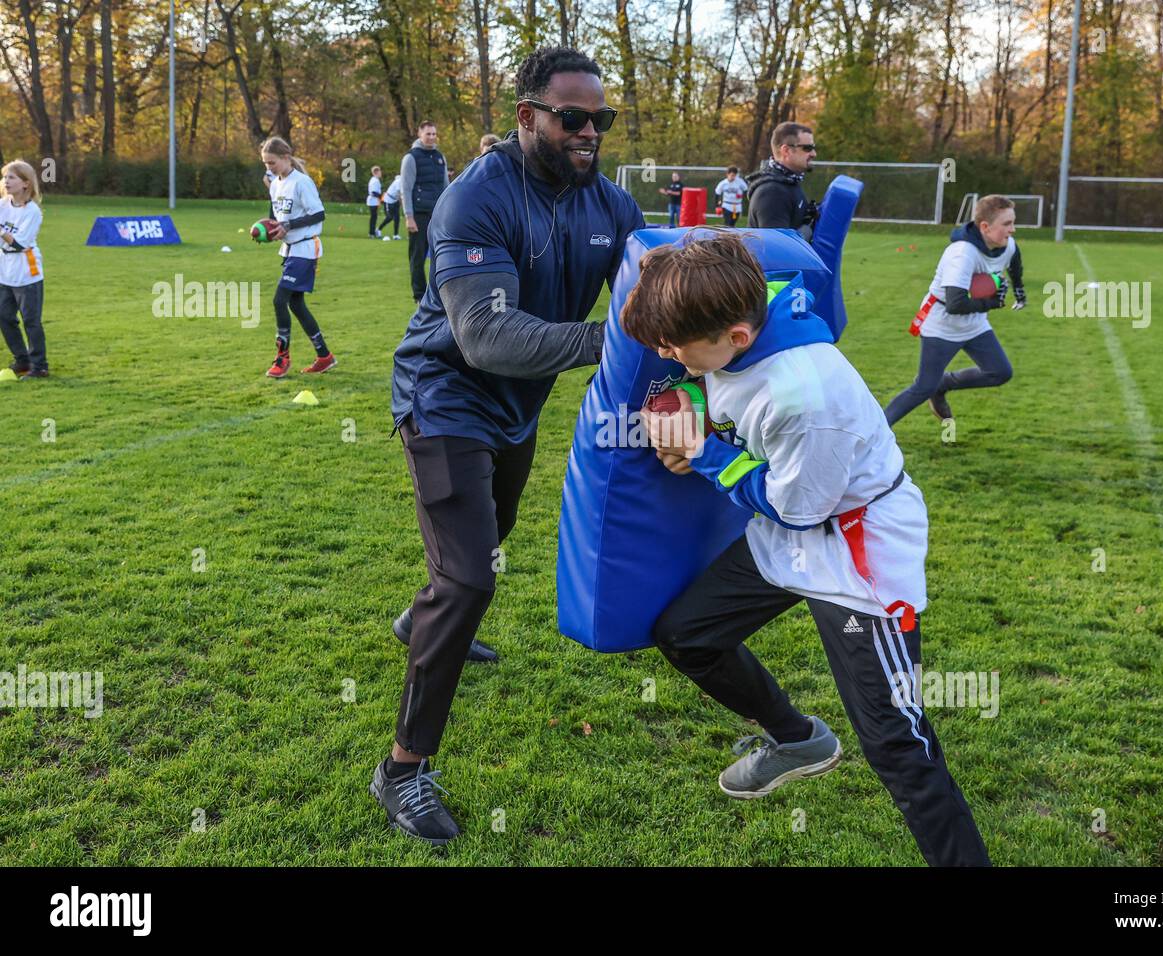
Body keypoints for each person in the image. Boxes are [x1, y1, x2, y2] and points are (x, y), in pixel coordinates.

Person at [625, 231, 990, 867]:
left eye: (672, 346)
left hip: (856, 555)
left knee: (896, 744)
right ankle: (798, 741)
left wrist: (705, 453)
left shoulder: (804, 397)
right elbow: (731, 403)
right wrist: (691, 407)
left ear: (736, 337)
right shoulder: (744, 313)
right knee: (688, 634)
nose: (664, 352)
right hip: (793, 535)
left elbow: (798, 508)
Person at [375, 46, 644, 844]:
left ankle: (422, 617)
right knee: (467, 582)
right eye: (573, 118)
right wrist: (620, 336)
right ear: (527, 117)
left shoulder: (608, 203)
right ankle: (402, 771)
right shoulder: (474, 199)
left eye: (602, 119)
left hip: (516, 410)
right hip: (444, 395)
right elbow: (486, 336)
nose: (590, 131)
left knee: (488, 547)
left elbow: (661, 269)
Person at [883, 195, 1023, 426]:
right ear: (985, 227)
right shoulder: (962, 254)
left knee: (999, 371)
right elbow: (955, 303)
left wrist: (1018, 290)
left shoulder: (1007, 245)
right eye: (1007, 224)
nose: (1013, 229)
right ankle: (875, 431)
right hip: (942, 324)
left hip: (974, 323)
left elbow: (1016, 262)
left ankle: (943, 385)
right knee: (923, 387)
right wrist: (991, 302)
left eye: (1013, 222)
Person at [260, 136, 337, 377]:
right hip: (289, 249)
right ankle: (324, 356)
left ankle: (282, 358)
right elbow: (275, 217)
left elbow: (319, 214)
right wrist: (268, 231)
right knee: (295, 303)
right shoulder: (274, 184)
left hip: (305, 249)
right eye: (265, 163)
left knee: (279, 300)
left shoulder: (302, 182)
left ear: (285, 158)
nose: (268, 168)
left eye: (271, 163)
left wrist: (288, 226)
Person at [0, 160, 47, 379]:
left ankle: (40, 366)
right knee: (4, 316)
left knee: (31, 321)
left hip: (27, 272)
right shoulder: (2, 205)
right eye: (5, 177)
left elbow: (19, 243)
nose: (6, 181)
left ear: (26, 184)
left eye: (12, 177)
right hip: (4, 271)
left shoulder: (32, 211)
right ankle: (23, 359)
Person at [401, 121, 450, 302]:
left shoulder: (439, 157)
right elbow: (405, 189)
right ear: (420, 134)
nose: (431, 137)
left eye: (434, 134)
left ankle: (438, 293)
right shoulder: (411, 158)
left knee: (441, 255)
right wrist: (409, 216)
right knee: (418, 257)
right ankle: (419, 295)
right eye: (428, 134)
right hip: (419, 214)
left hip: (437, 214)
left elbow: (446, 186)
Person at [745, 122, 819, 238]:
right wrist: (807, 229)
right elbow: (776, 249)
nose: (814, 153)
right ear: (786, 151)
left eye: (813, 148)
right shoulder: (772, 192)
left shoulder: (789, 183)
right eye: (807, 148)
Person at [377, 173, 402, 238]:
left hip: (395, 200)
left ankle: (395, 235)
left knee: (397, 218)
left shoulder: (403, 182)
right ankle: (378, 229)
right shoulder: (398, 182)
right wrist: (402, 203)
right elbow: (399, 193)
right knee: (390, 217)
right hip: (388, 200)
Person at [366, 165, 384, 238]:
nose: (381, 173)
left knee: (374, 217)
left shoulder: (376, 180)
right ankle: (371, 233)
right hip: (372, 201)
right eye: (380, 171)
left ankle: (372, 232)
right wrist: (382, 198)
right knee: (373, 217)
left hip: (374, 201)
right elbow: (373, 192)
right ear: (376, 172)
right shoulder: (374, 180)